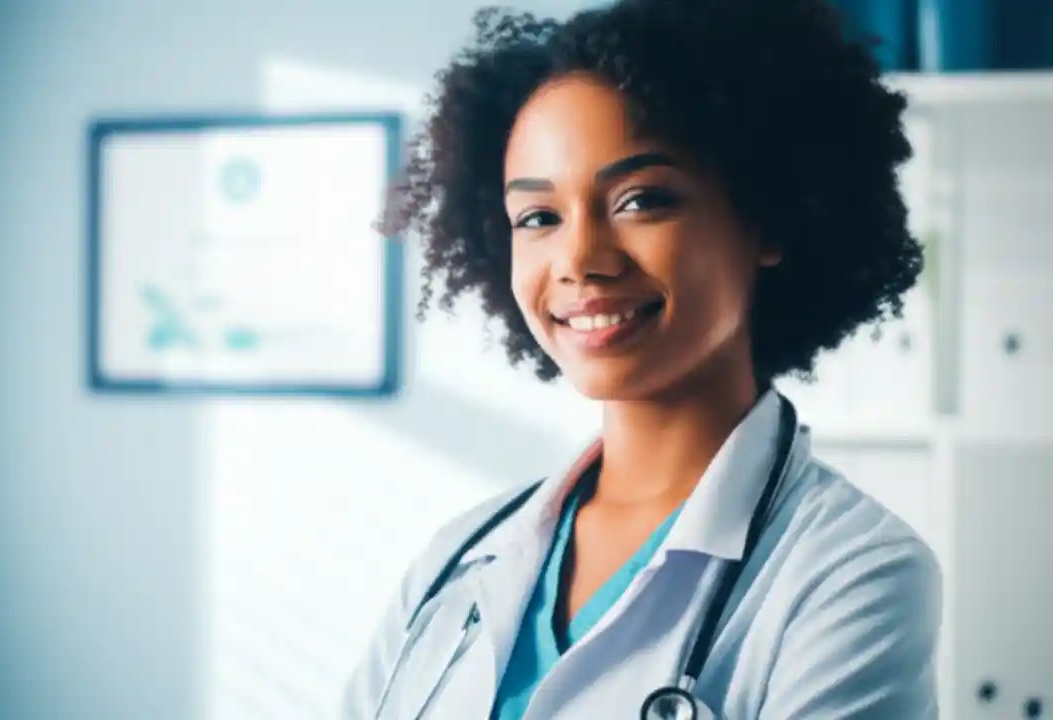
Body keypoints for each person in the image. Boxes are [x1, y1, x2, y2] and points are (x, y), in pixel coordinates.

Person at [342, 0, 941, 717]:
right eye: (538, 217)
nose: (580, 261)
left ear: (770, 217)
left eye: (640, 200)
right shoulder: (457, 560)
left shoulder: (852, 573)